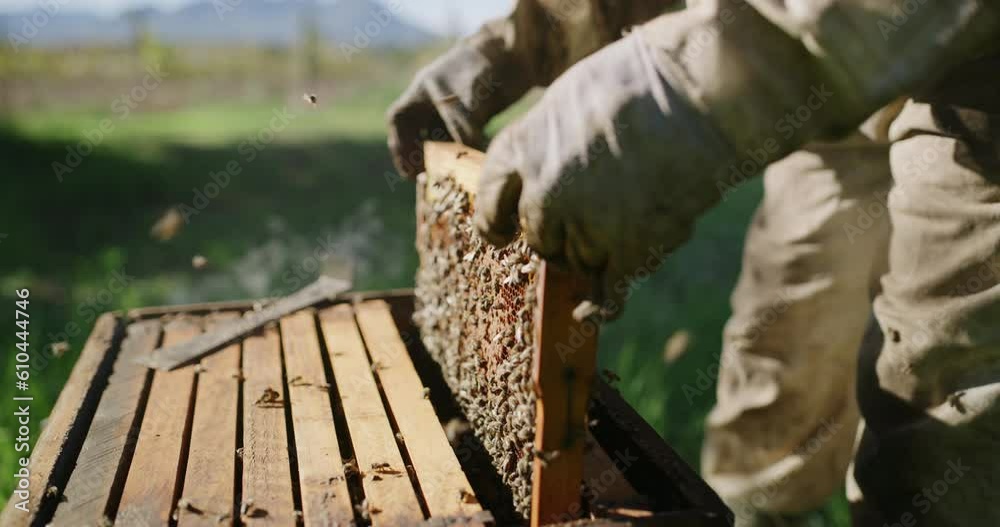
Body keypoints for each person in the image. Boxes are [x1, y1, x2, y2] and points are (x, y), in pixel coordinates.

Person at [387, 1, 1000, 525]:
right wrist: (504, 55)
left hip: (979, 78)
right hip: (831, 102)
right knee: (780, 356)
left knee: (946, 399)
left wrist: (678, 82)